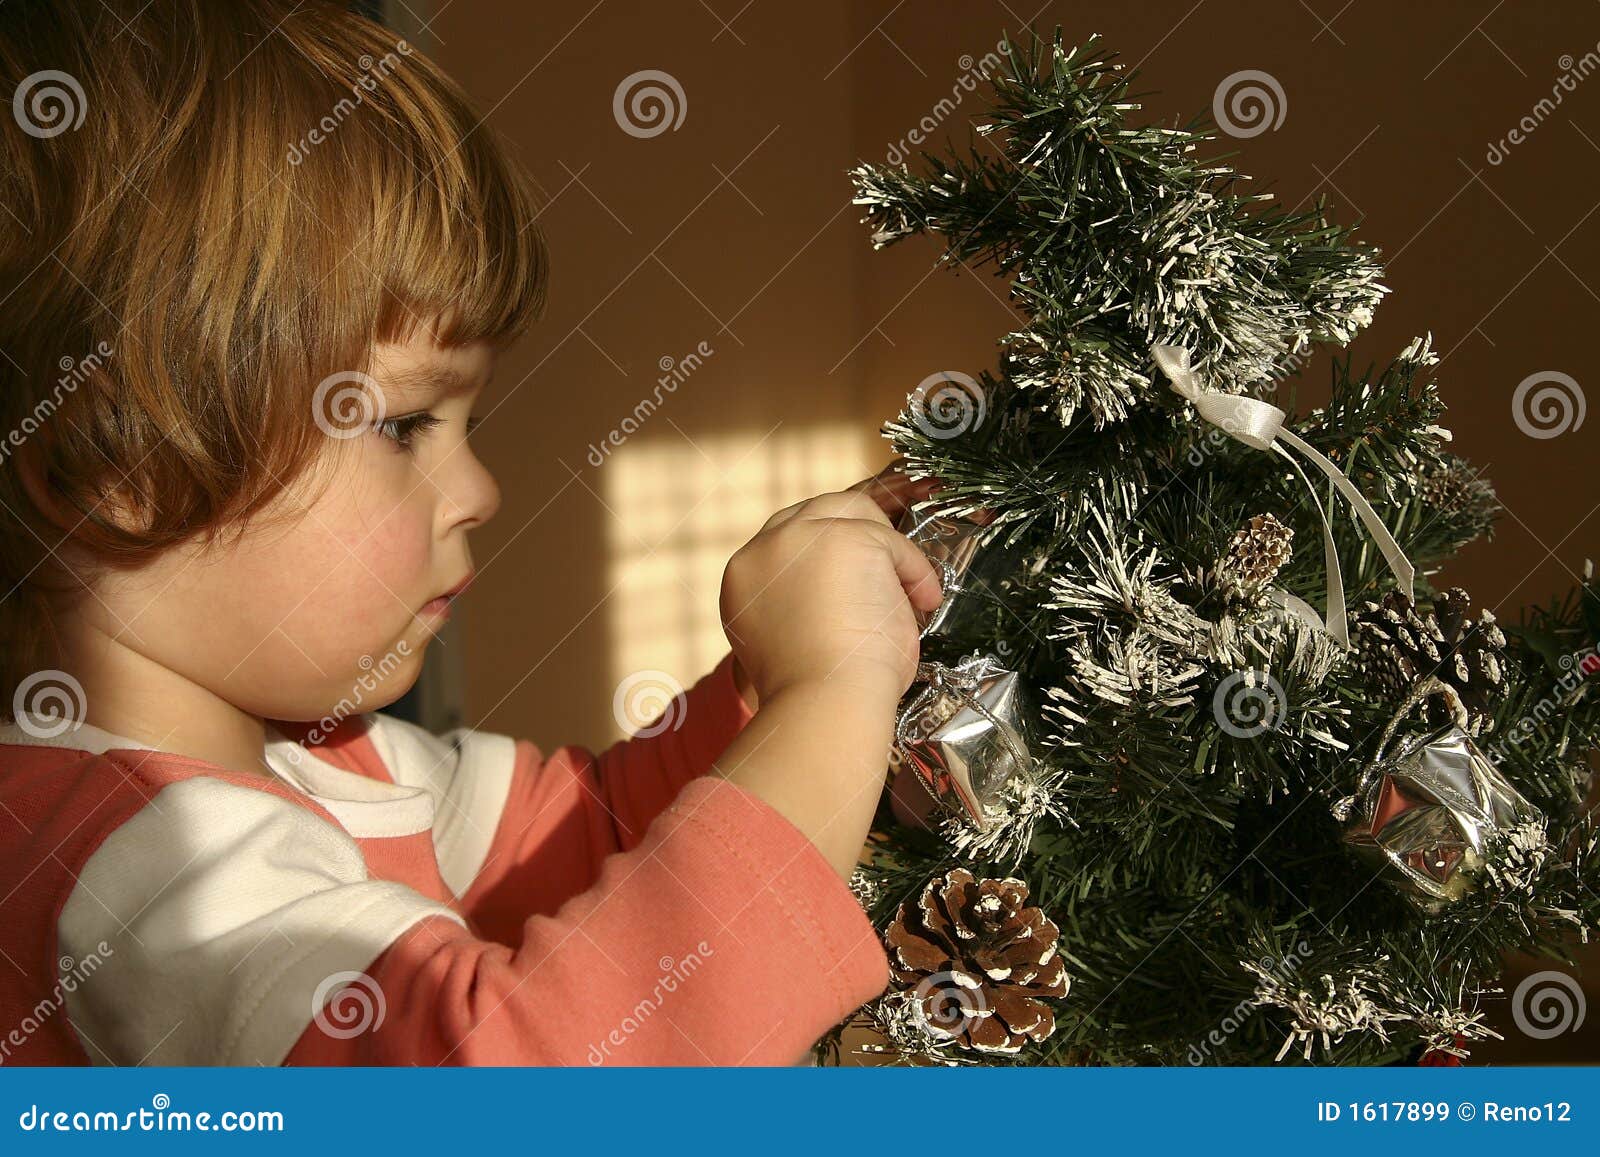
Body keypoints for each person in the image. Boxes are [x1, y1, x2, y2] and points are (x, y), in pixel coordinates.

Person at [0, 0, 948, 1066]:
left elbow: (602, 827)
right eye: (405, 424)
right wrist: (833, 690)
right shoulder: (134, 864)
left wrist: (780, 669)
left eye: (468, 423)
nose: (482, 490)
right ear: (117, 464)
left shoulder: (332, 757)